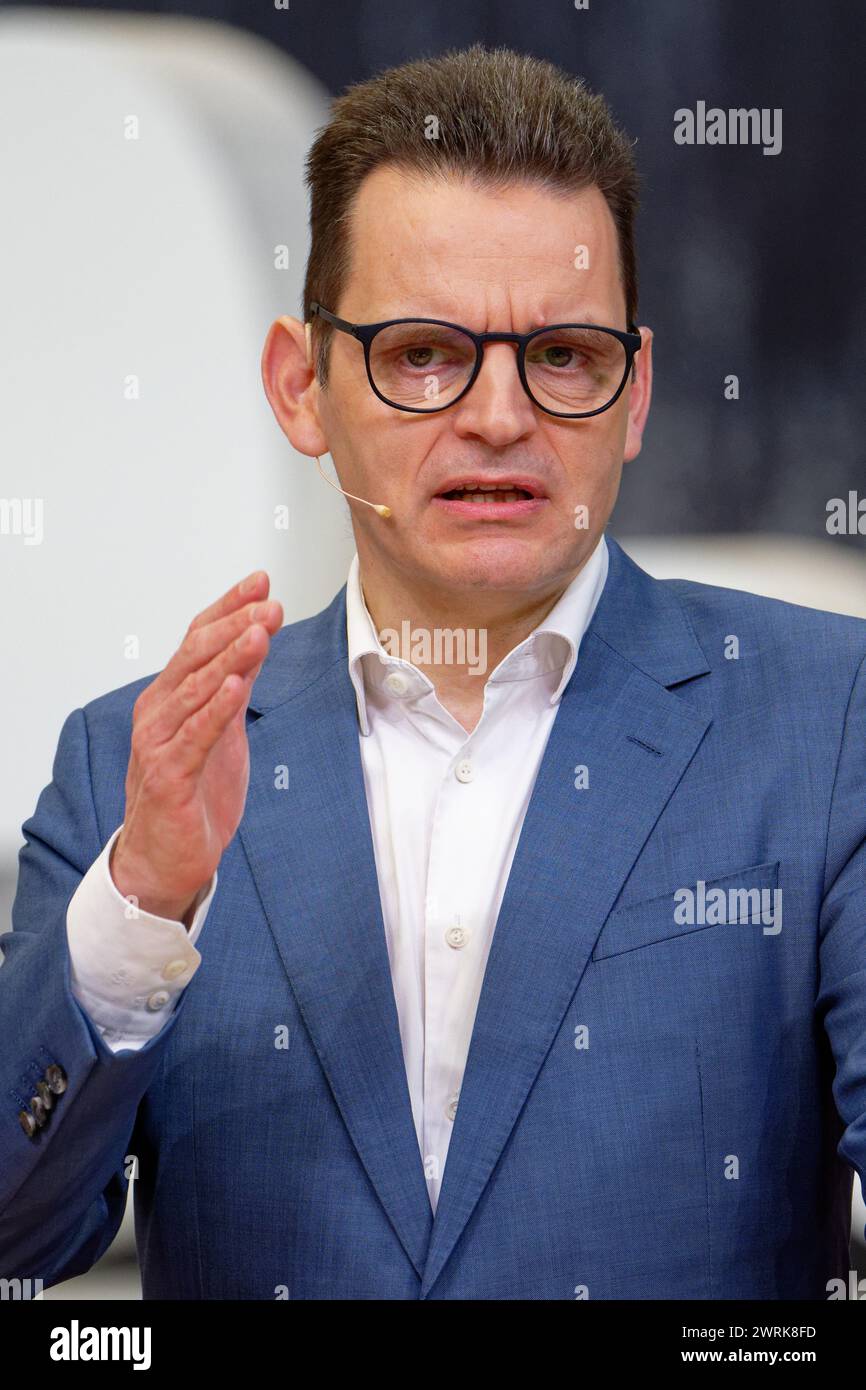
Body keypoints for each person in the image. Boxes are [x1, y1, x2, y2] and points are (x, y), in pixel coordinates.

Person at [2, 44, 865, 1301]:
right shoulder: (134, 768)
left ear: (632, 395)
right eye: (421, 353)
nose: (500, 416)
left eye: (563, 356)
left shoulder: (824, 717)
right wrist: (141, 906)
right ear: (302, 386)